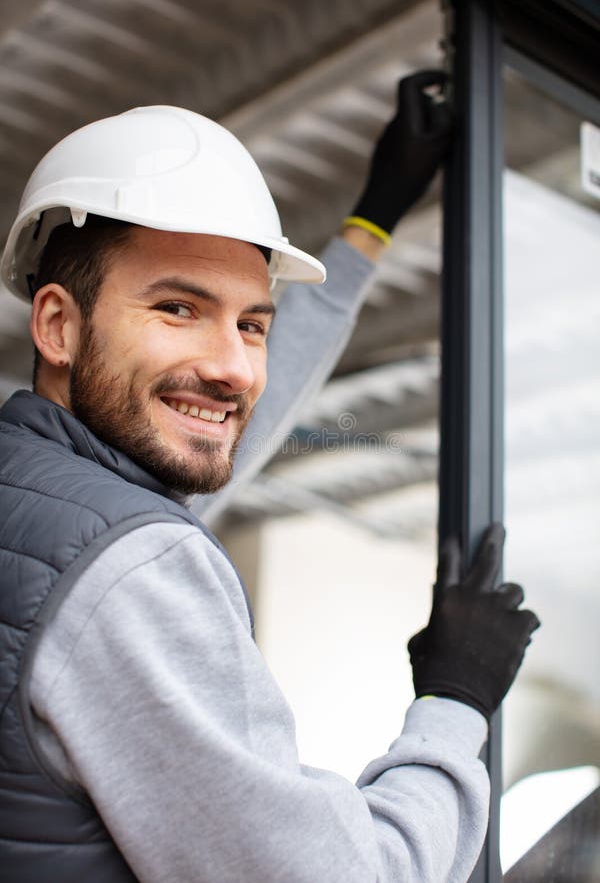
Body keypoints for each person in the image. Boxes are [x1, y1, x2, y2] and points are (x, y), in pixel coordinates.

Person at [0, 74, 539, 882]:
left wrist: (372, 221)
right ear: (57, 325)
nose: (232, 368)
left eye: (252, 323)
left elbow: (195, 427)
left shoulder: (33, 488)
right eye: (176, 308)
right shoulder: (131, 572)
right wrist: (454, 705)